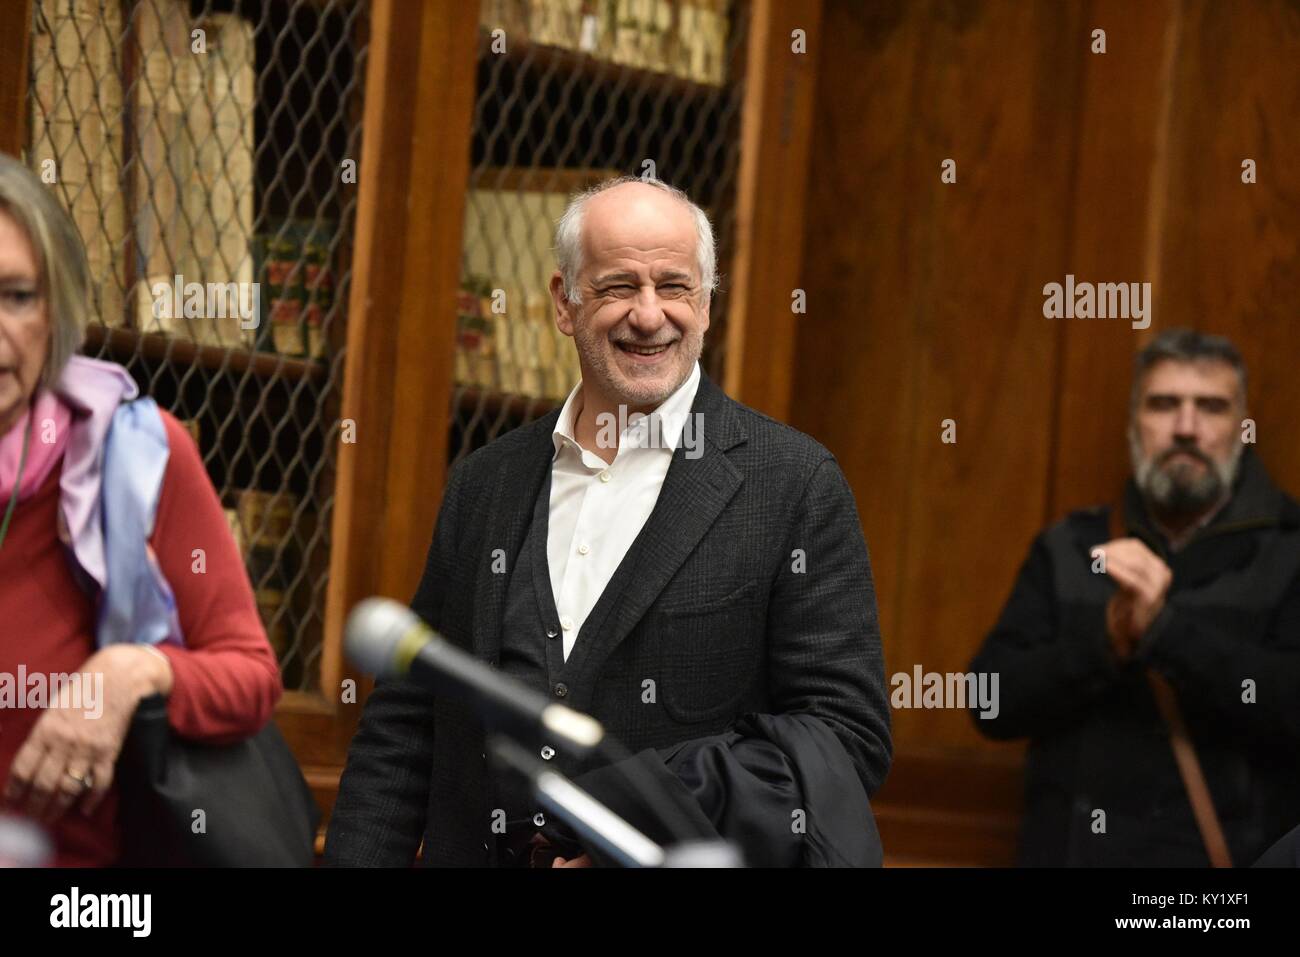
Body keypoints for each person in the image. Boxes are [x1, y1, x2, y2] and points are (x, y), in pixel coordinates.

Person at [326, 177, 891, 867]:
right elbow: (406, 724)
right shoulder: (485, 483)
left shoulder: (794, 485)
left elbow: (843, 738)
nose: (649, 315)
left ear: (707, 304)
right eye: (620, 285)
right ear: (565, 302)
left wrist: (641, 819)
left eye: (675, 287)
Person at [0, 152, 282, 865]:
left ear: (57, 310)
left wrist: (129, 672)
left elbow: (250, 676)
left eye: (16, 296)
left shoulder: (137, 454)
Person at [969, 329, 1300, 866]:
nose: (1186, 428)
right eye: (1164, 404)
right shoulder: (1071, 546)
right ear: (1133, 426)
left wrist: (1167, 632)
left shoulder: (1291, 552)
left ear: (1242, 430)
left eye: (1210, 407)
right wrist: (1104, 641)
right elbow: (988, 701)